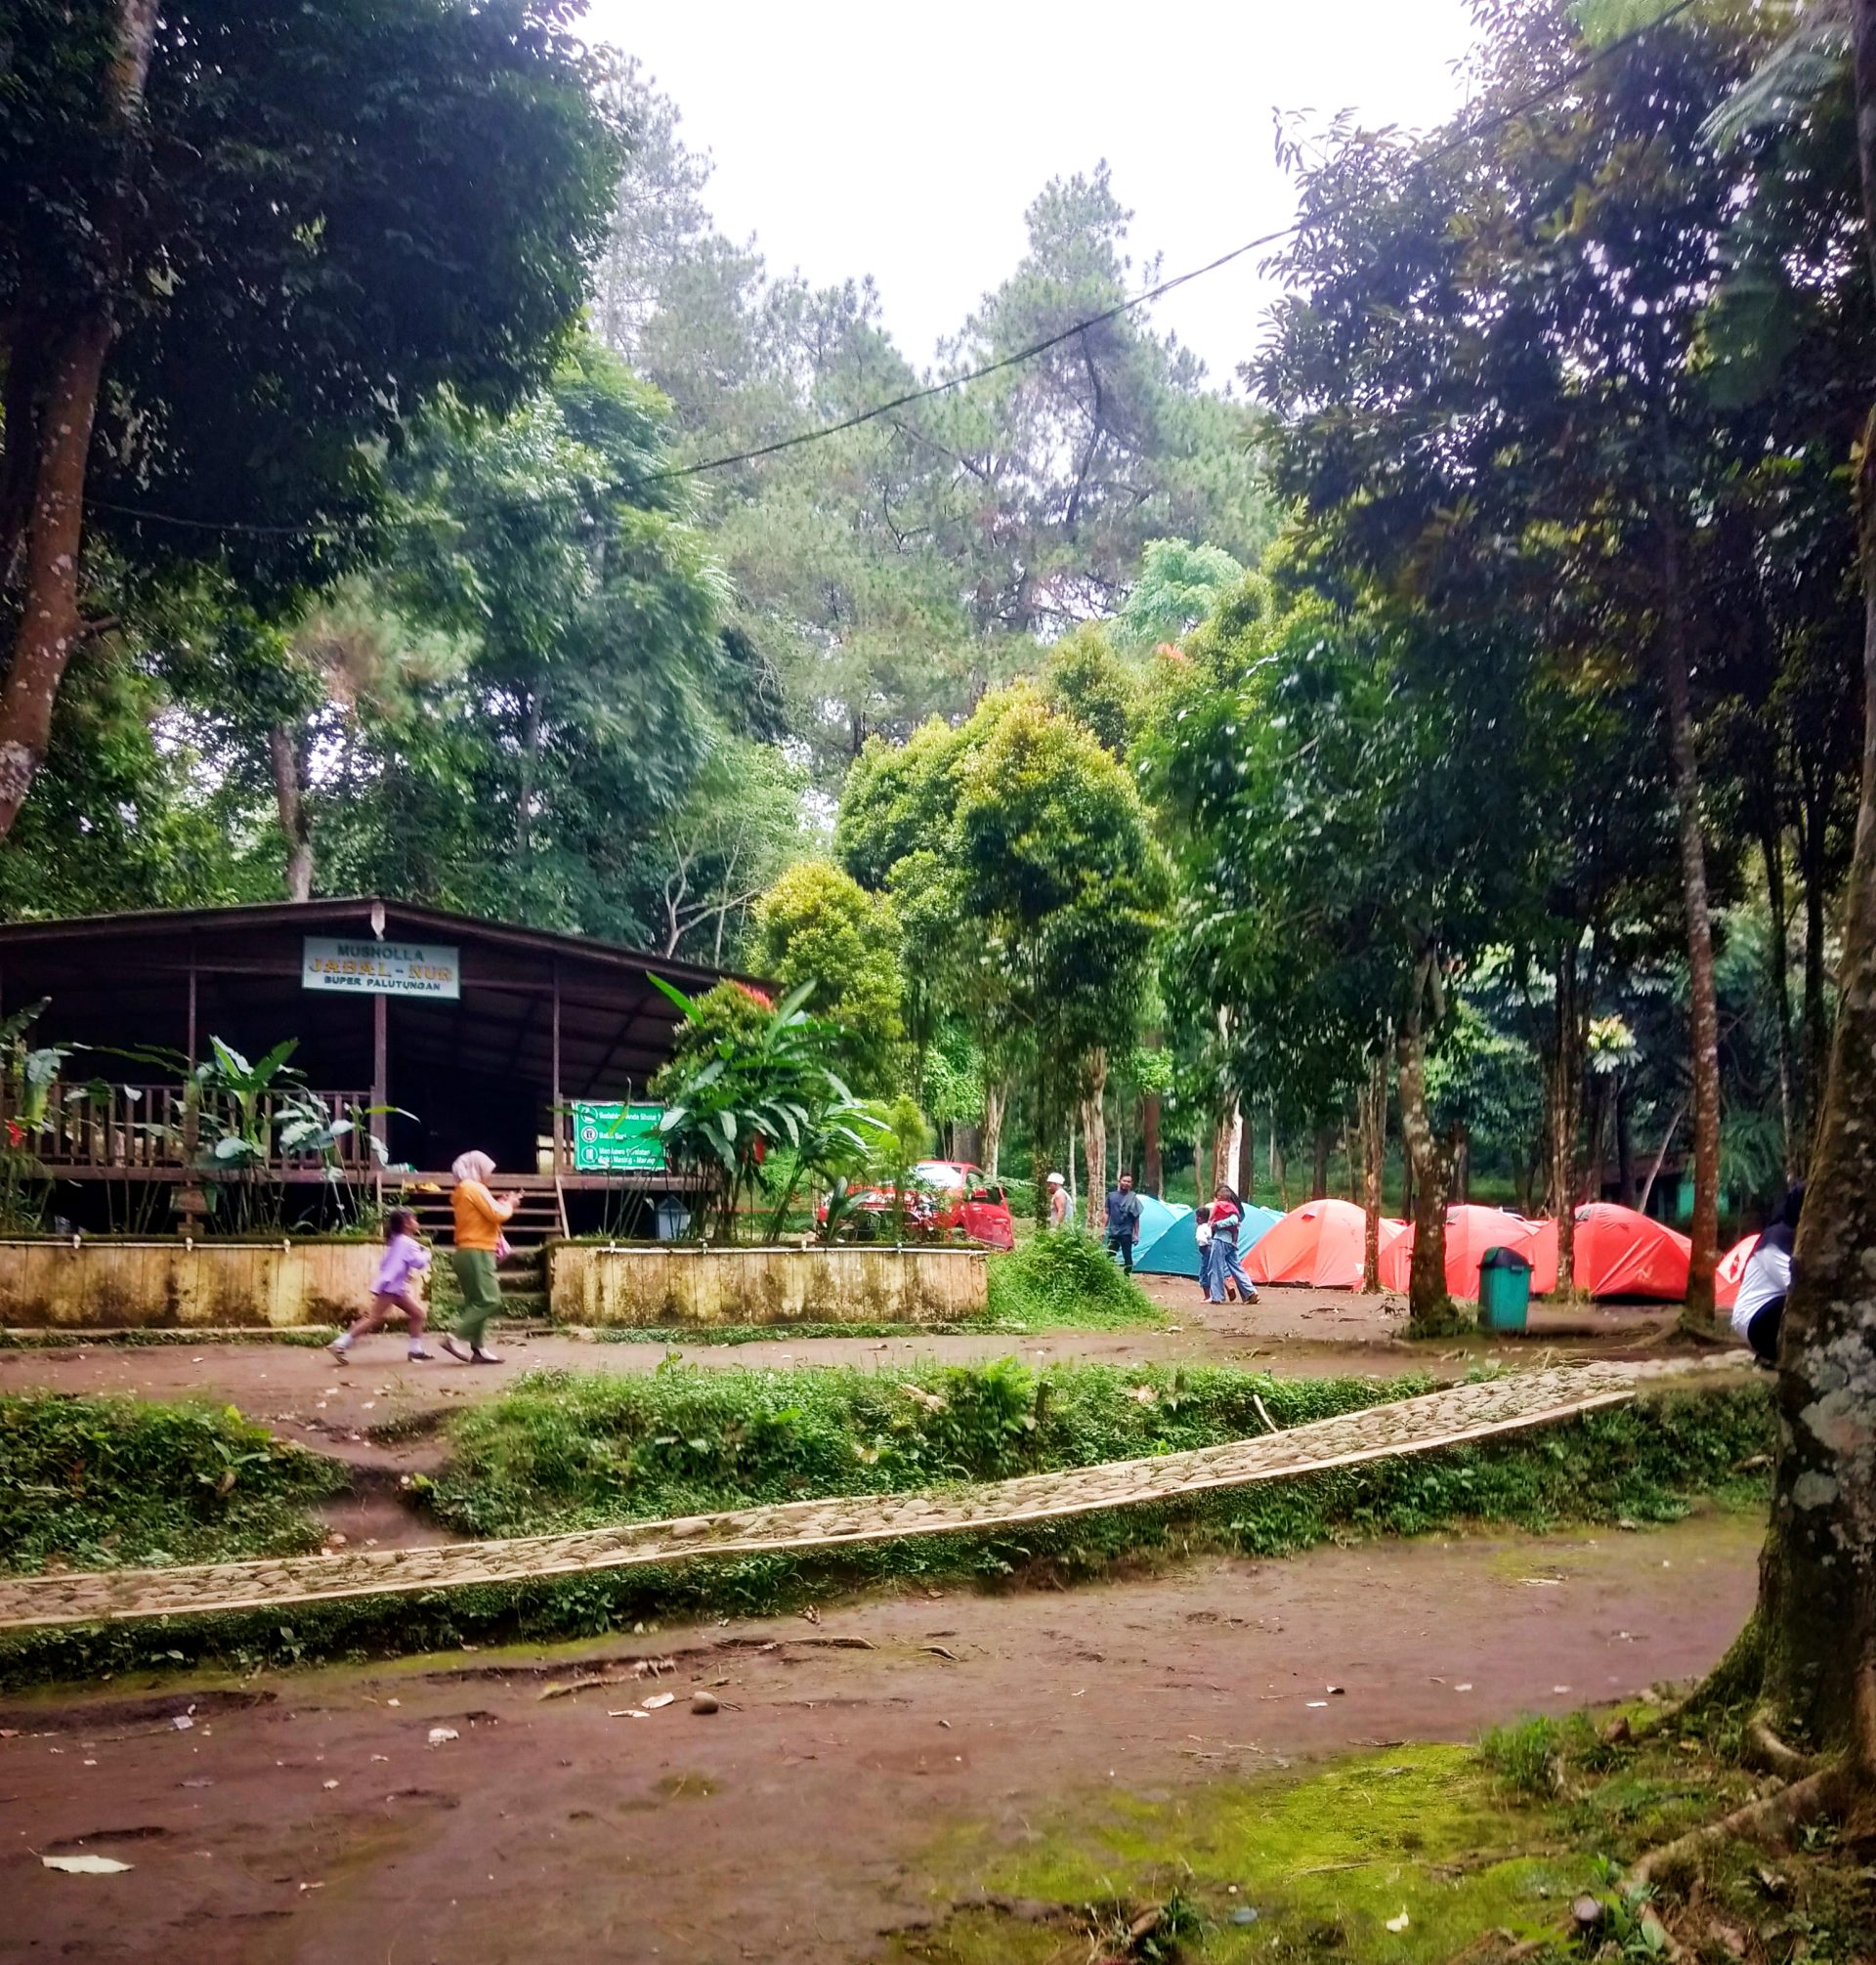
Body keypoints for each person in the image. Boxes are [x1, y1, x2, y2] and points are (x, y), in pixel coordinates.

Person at [446, 1150, 521, 1364]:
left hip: (467, 1252)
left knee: (476, 1302)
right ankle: (455, 1337)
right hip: (478, 1251)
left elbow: (485, 1215)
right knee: (490, 1300)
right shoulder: (474, 1187)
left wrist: (499, 1202)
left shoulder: (464, 1190)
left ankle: (478, 1349)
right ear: (476, 1168)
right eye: (487, 1171)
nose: (489, 1176)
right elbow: (498, 1214)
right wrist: (509, 1204)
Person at [330, 1208, 433, 1361]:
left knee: (418, 1314)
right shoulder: (407, 1242)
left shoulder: (397, 1240)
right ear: (406, 1223)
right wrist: (427, 1254)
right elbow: (418, 1263)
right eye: (414, 1219)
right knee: (373, 1317)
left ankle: (415, 1350)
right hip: (392, 1286)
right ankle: (340, 1343)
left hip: (395, 1286)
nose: (417, 1223)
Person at [1731, 1183, 1803, 1365]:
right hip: (1756, 1318)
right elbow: (1794, 1286)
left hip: (1764, 1316)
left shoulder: (1794, 1238)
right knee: (1808, 1300)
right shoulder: (1776, 1239)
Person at [1207, 1183, 1260, 1305]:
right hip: (1231, 1241)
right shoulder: (1235, 1208)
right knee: (1236, 1267)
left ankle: (1217, 1296)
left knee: (1216, 1267)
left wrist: (1217, 1224)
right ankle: (1250, 1292)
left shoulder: (1226, 1208)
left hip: (1220, 1240)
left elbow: (1233, 1220)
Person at [1104, 1171, 1143, 1272]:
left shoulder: (1133, 1198)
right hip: (1113, 1231)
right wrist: (1102, 1228)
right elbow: (1107, 1213)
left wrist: (1136, 1235)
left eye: (1128, 1182)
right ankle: (1108, 1277)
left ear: (1131, 1184)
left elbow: (1136, 1218)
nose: (1126, 1183)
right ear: (1120, 1181)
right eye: (1124, 1181)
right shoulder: (1111, 1196)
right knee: (1109, 1256)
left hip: (1126, 1233)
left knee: (1127, 1257)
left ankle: (1126, 1279)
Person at [1194, 1202, 1215, 1299]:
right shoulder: (1210, 1226)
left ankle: (1207, 1296)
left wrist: (1203, 1247)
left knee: (1203, 1272)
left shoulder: (1200, 1228)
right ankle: (1225, 1288)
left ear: (1199, 1218)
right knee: (1214, 1270)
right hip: (1213, 1248)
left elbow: (1201, 1239)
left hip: (1206, 1249)